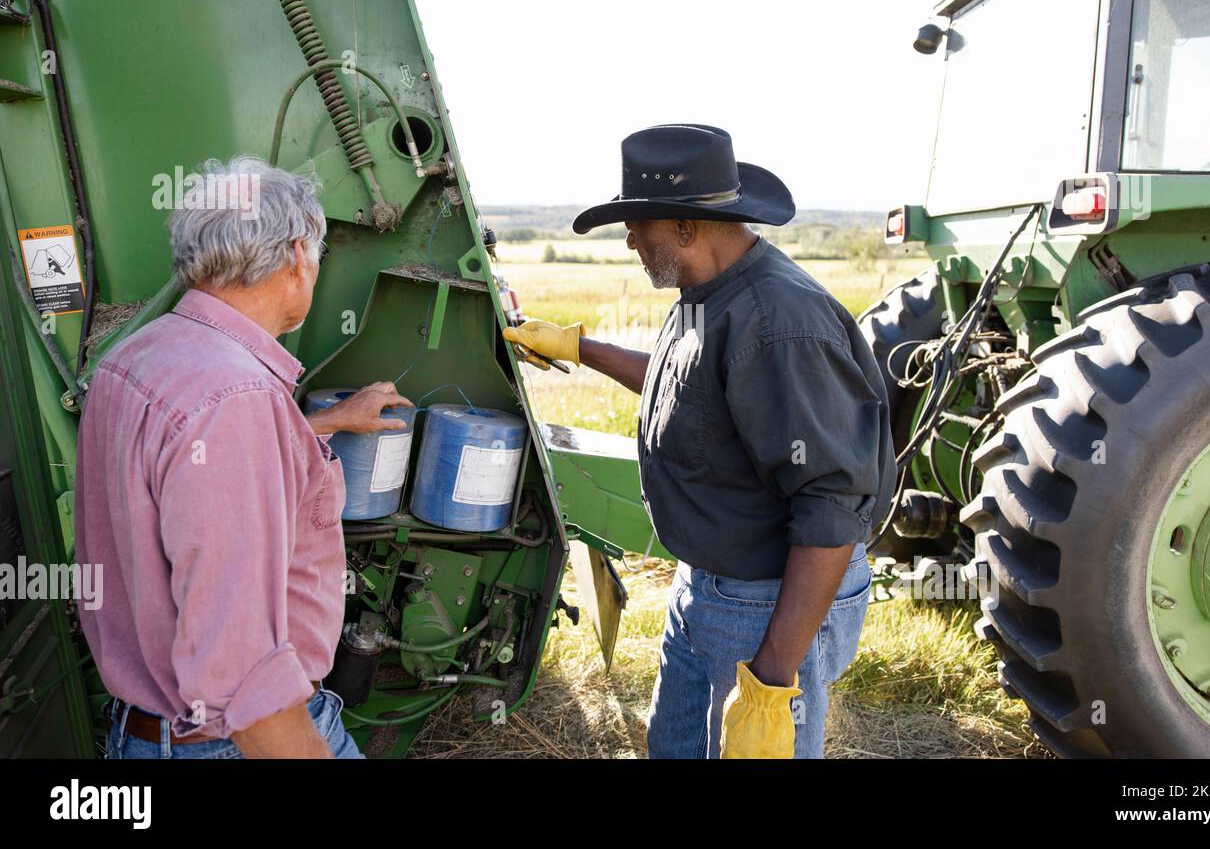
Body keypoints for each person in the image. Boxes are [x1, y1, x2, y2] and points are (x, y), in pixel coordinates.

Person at [503, 124, 895, 758]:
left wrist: (771, 680)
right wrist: (579, 347)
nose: (629, 239)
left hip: (766, 601)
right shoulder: (707, 295)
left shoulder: (778, 325)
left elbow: (831, 508)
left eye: (640, 224)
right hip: (709, 585)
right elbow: (690, 389)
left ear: (687, 227)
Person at [75, 155, 412, 758]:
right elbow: (240, 670)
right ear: (294, 257)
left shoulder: (136, 357)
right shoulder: (237, 398)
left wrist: (326, 422)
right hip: (231, 741)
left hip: (146, 727)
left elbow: (181, 475)